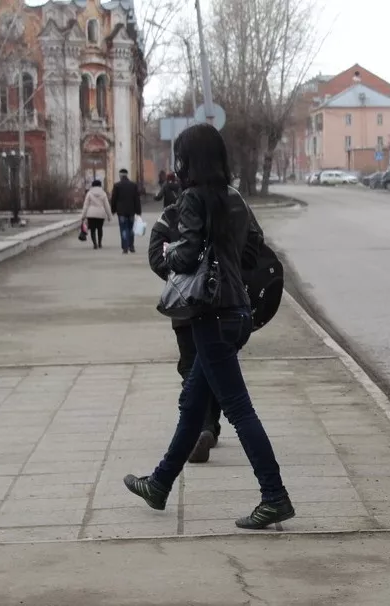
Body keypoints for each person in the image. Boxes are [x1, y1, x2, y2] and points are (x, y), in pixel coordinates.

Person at [123, 123, 294, 529]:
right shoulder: (235, 198)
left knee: (238, 409)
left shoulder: (193, 199)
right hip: (237, 312)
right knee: (193, 405)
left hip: (210, 314)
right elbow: (255, 246)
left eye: (181, 157)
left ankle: (275, 496)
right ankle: (160, 484)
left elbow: (184, 256)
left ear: (190, 160)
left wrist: (167, 256)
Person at [147, 183, 224, 464]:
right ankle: (209, 425)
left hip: (185, 307)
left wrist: (178, 275)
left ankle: (204, 427)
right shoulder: (225, 206)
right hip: (221, 304)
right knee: (215, 365)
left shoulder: (170, 216)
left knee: (192, 367)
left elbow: (157, 258)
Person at [110, 168, 142, 254]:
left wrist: (113, 210)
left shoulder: (117, 185)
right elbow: (137, 199)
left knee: (124, 229)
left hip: (121, 212)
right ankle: (131, 246)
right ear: (127, 175)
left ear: (120, 175)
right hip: (131, 211)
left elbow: (114, 199)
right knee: (131, 229)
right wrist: (138, 211)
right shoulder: (133, 185)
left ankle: (125, 247)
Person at [80, 179, 111, 249]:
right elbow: (107, 206)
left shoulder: (89, 193)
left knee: (93, 229)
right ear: (100, 185)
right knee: (100, 229)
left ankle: (95, 244)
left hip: (91, 214)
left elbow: (86, 205)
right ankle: (100, 243)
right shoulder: (103, 193)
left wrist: (83, 216)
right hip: (101, 214)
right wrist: (109, 216)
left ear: (92, 185)